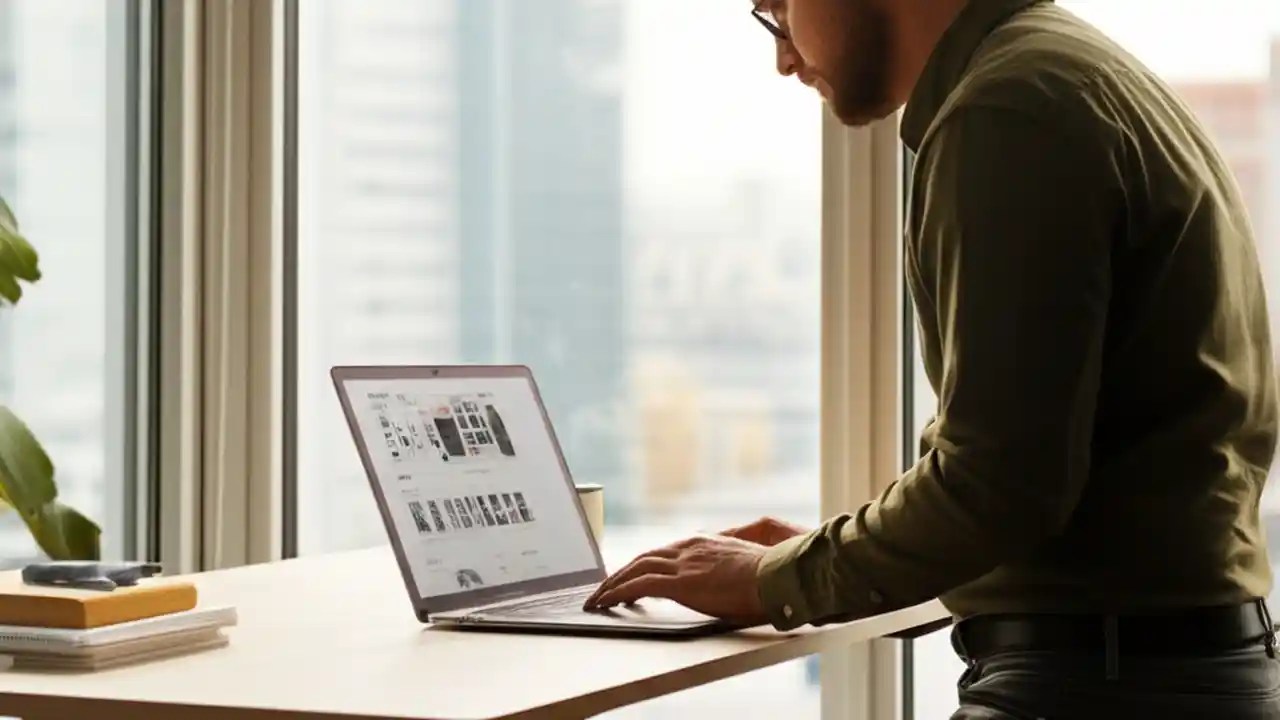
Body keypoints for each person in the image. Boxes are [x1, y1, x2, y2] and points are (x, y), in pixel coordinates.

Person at [583, 0, 1280, 716]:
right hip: (1164, 670)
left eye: (778, 11)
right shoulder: (1070, 73)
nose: (783, 56)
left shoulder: (1006, 112)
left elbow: (997, 486)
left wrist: (772, 581)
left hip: (1098, 687)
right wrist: (824, 553)